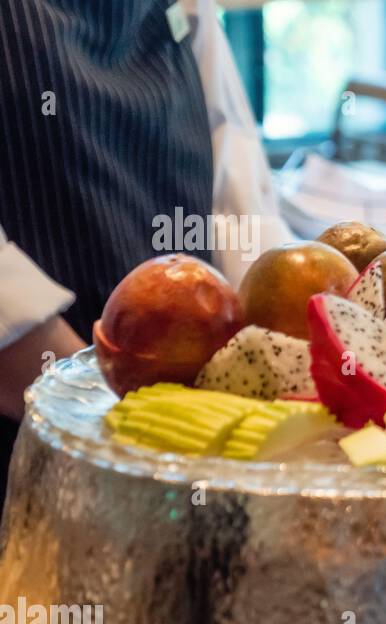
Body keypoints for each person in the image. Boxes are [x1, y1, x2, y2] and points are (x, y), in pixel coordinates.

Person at [0, 0, 292, 506]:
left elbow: (232, 168)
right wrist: (99, 421)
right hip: (32, 438)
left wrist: (272, 359)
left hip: (193, 430)